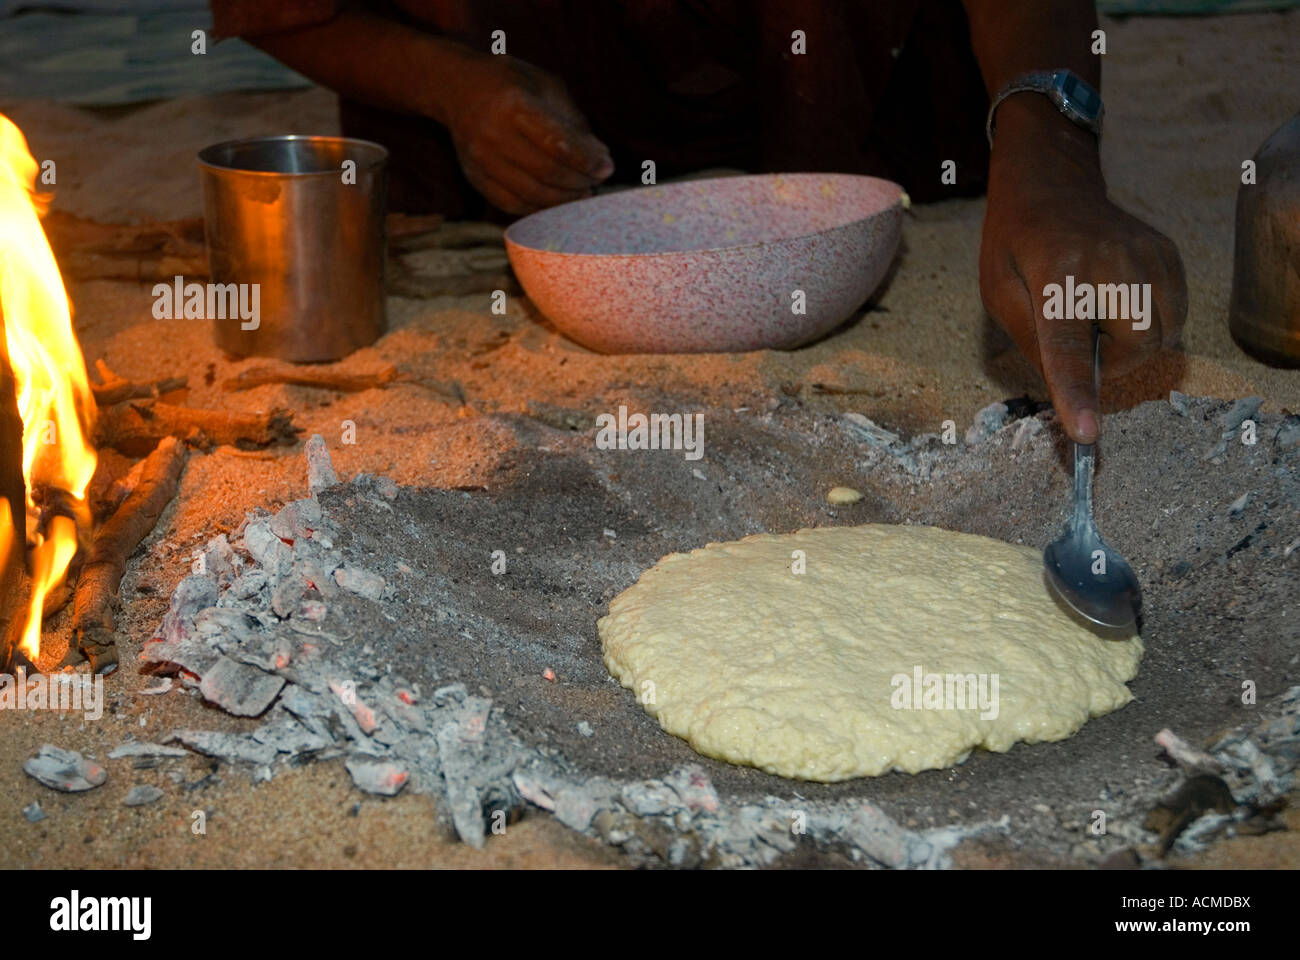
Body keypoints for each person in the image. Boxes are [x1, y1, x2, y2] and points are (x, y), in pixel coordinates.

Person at [211, 0, 1187, 444]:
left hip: (838, 59)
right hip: (539, 53)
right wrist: (457, 87)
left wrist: (1049, 153)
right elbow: (280, 11)